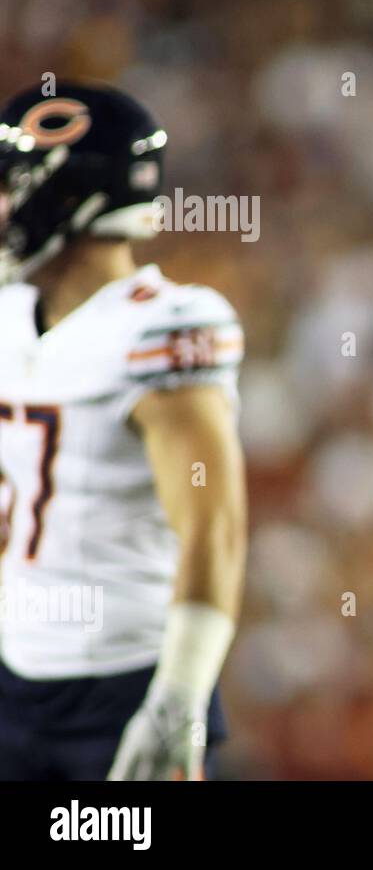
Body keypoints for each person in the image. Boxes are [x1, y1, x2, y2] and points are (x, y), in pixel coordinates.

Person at [0, 82, 247, 780]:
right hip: (15, 674)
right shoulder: (11, 314)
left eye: (11, 184)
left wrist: (180, 694)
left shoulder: (159, 326)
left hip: (125, 683)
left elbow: (215, 527)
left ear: (66, 193)